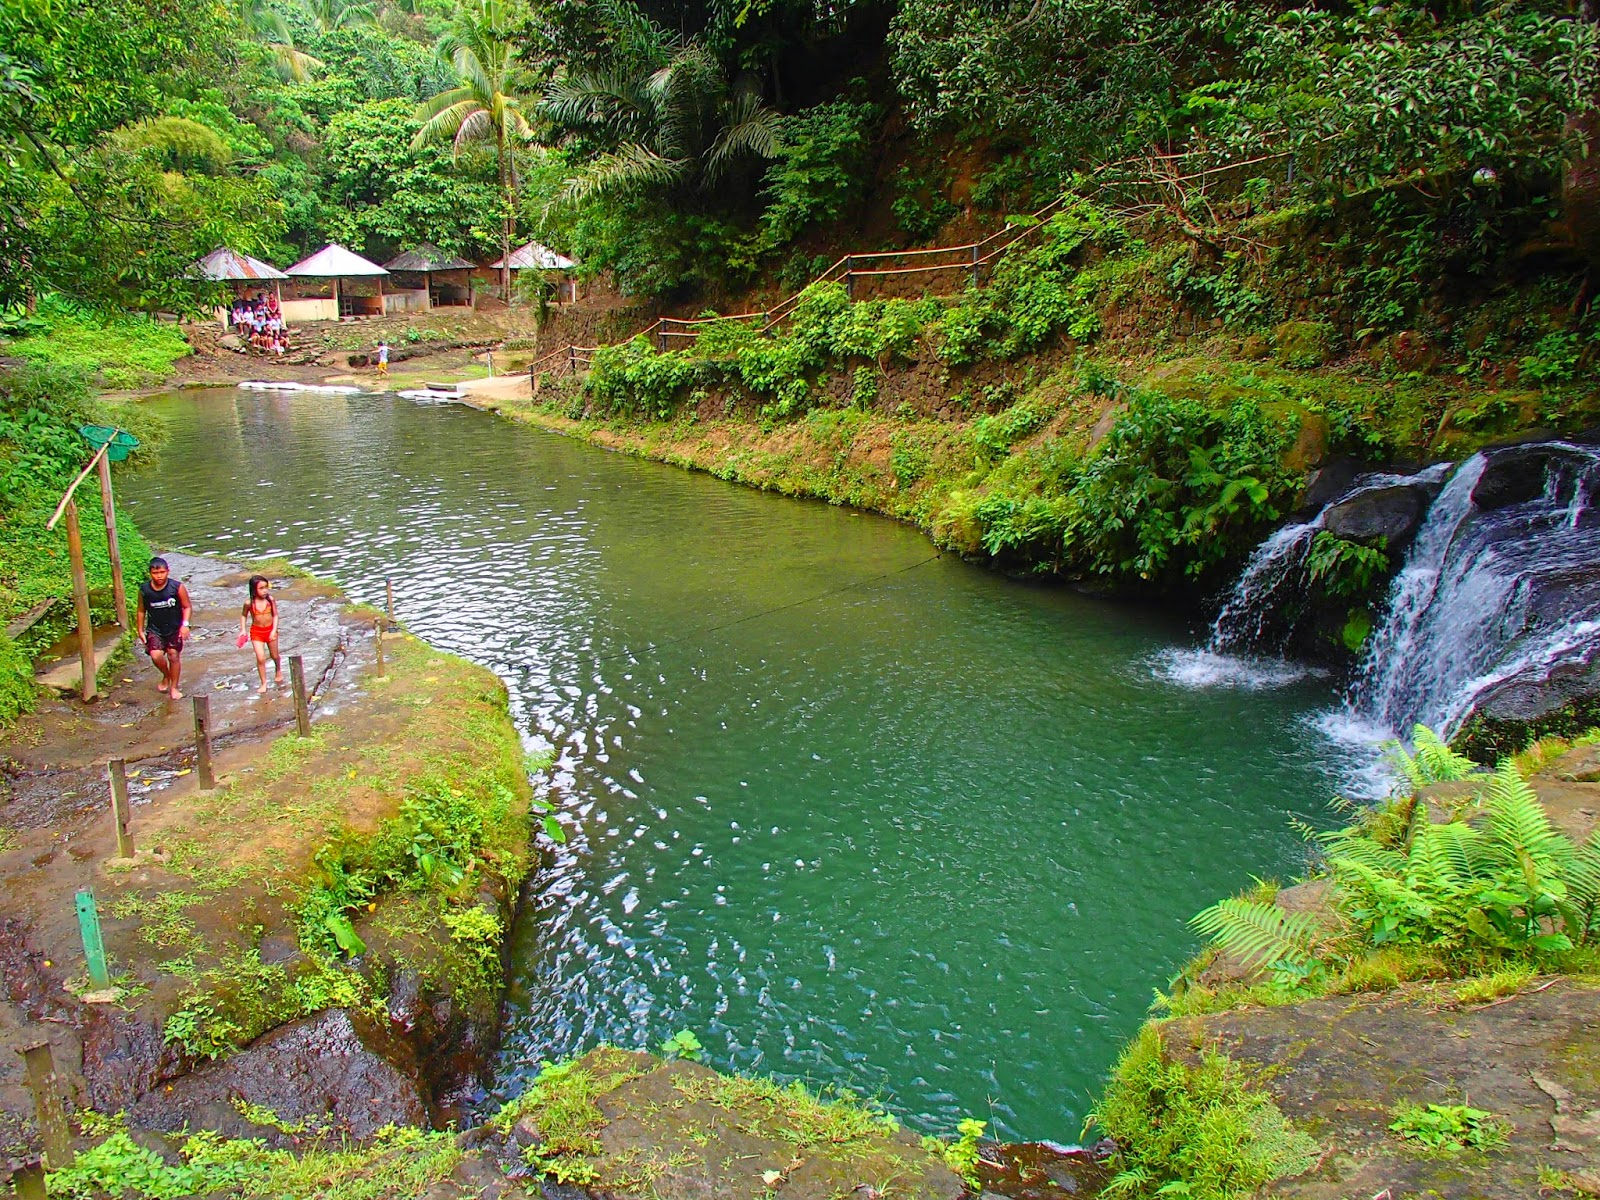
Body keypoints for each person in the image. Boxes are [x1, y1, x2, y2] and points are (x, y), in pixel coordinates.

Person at [136, 556, 192, 700]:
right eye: (155, 573)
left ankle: (174, 687)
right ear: (150, 573)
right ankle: (166, 675)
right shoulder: (144, 590)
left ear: (168, 571)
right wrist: (140, 630)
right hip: (155, 629)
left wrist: (185, 625)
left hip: (174, 627)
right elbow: (141, 610)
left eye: (162, 572)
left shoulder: (177, 587)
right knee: (156, 655)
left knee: (173, 655)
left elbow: (187, 607)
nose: (159, 576)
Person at [238, 574, 283, 694]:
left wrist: (274, 630)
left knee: (275, 655)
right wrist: (243, 629)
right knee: (260, 658)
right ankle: (263, 682)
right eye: (261, 588)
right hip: (257, 632)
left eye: (266, 587)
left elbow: (275, 615)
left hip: (270, 630)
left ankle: (278, 669)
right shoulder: (249, 603)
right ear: (254, 589)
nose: (264, 591)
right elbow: (243, 615)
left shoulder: (270, 600)